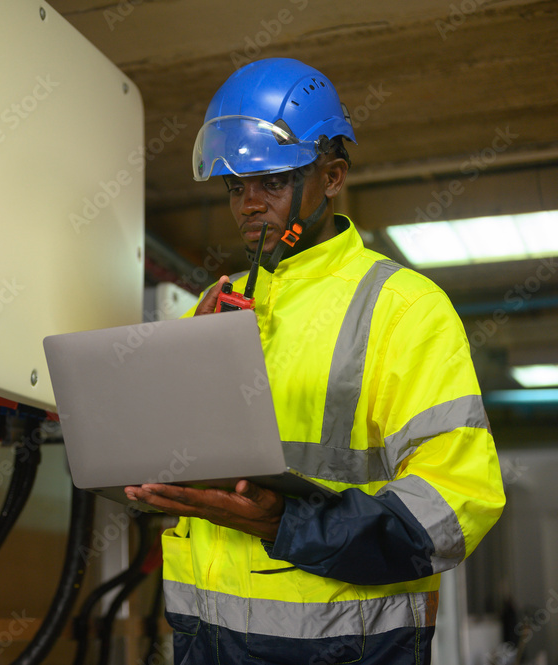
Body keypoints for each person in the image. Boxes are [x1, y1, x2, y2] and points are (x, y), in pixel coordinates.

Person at [124, 58, 506, 664]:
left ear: (331, 176)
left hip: (345, 648)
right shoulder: (214, 306)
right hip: (203, 640)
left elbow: (458, 507)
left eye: (271, 181)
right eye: (234, 186)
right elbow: (175, 469)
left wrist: (286, 522)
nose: (248, 204)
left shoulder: (403, 309)